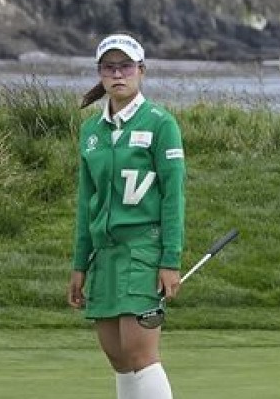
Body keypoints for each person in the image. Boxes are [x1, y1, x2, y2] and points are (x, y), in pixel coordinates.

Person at [69, 33, 187, 399]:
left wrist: (170, 260)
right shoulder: (91, 131)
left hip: (143, 250)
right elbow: (86, 202)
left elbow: (173, 197)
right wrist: (79, 265)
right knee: (117, 356)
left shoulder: (159, 124)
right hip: (104, 254)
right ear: (100, 74)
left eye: (126, 66)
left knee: (140, 354)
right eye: (109, 67)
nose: (118, 74)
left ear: (141, 71)